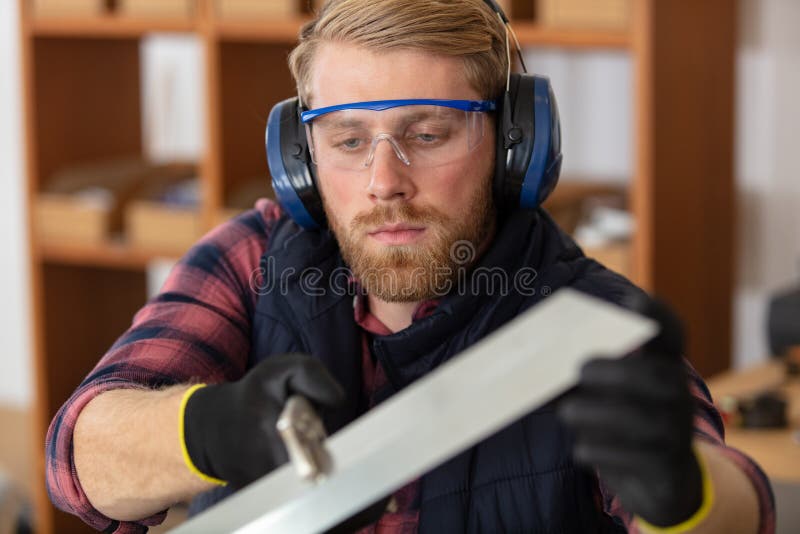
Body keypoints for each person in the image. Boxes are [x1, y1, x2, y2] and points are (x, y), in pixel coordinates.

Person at [46, 1, 775, 532]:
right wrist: (210, 428)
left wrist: (686, 495)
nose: (384, 181)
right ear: (299, 163)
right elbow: (77, 461)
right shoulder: (253, 261)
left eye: (426, 134)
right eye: (348, 141)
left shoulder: (590, 322)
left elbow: (740, 505)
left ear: (514, 147)